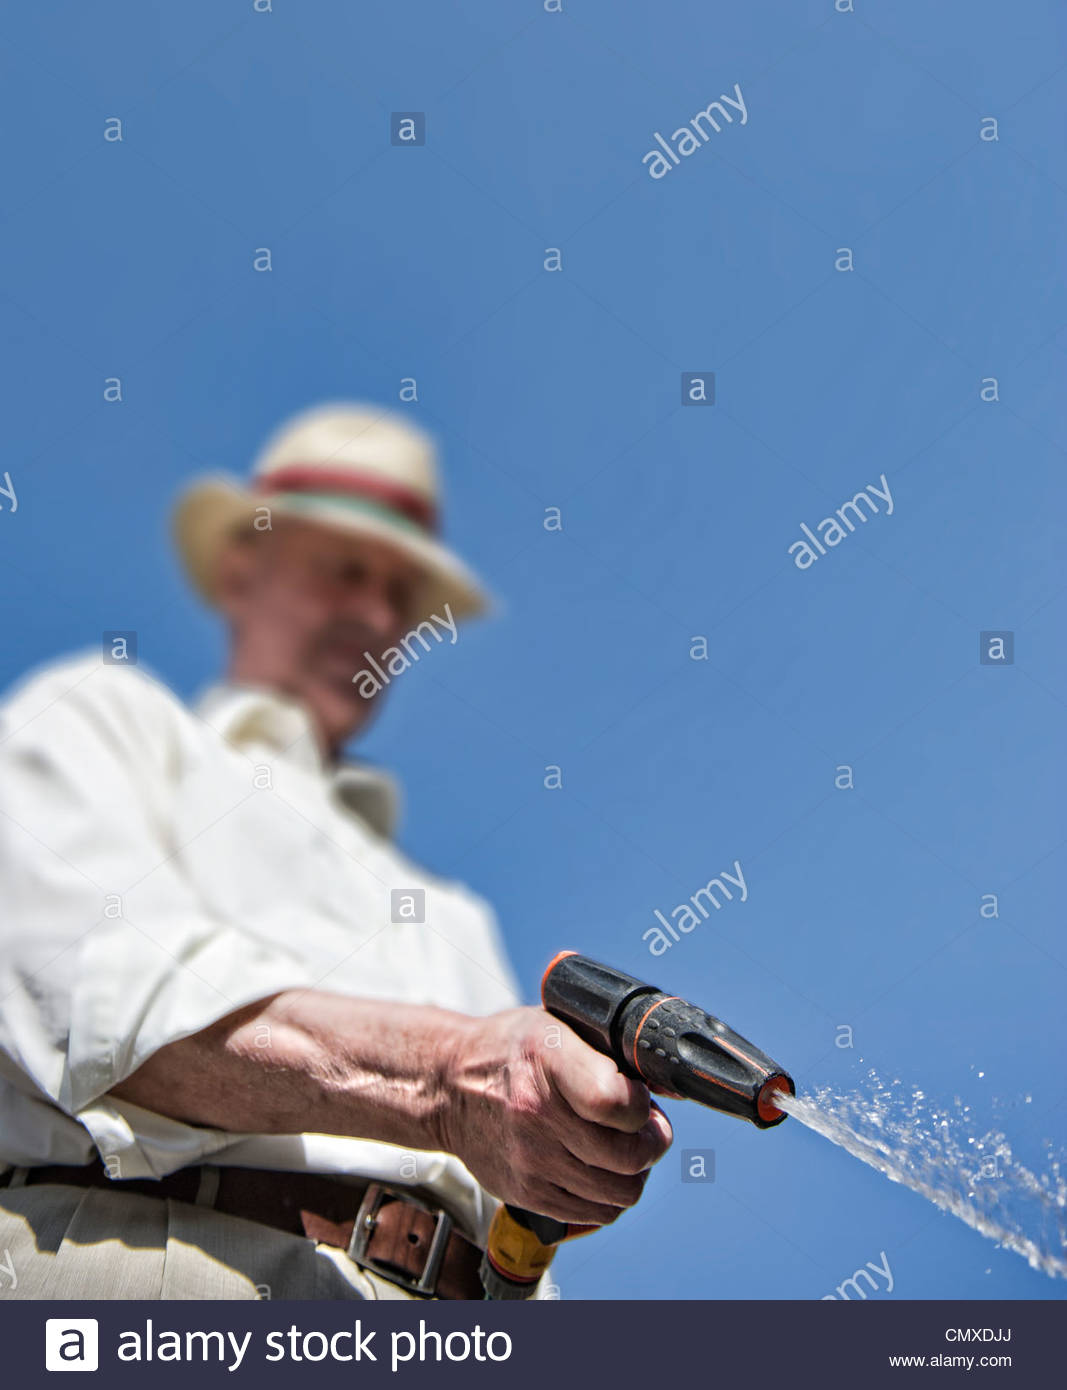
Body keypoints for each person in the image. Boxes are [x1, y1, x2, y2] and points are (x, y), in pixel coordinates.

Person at [0, 402, 672, 1300]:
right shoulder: (103, 721)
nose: (374, 613)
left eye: (399, 594)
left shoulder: (449, 913)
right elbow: (103, 1010)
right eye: (343, 570)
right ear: (243, 569)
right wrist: (444, 1079)